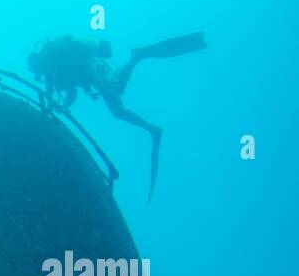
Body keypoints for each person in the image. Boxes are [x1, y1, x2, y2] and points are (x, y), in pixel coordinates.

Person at [27, 32, 206, 199]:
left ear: (39, 63)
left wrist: (56, 107)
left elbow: (65, 92)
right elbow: (68, 94)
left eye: (37, 70)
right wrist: (58, 107)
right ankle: (152, 129)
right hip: (91, 74)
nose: (38, 75)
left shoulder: (53, 64)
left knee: (117, 89)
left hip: (92, 65)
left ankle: (136, 56)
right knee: (118, 111)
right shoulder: (52, 72)